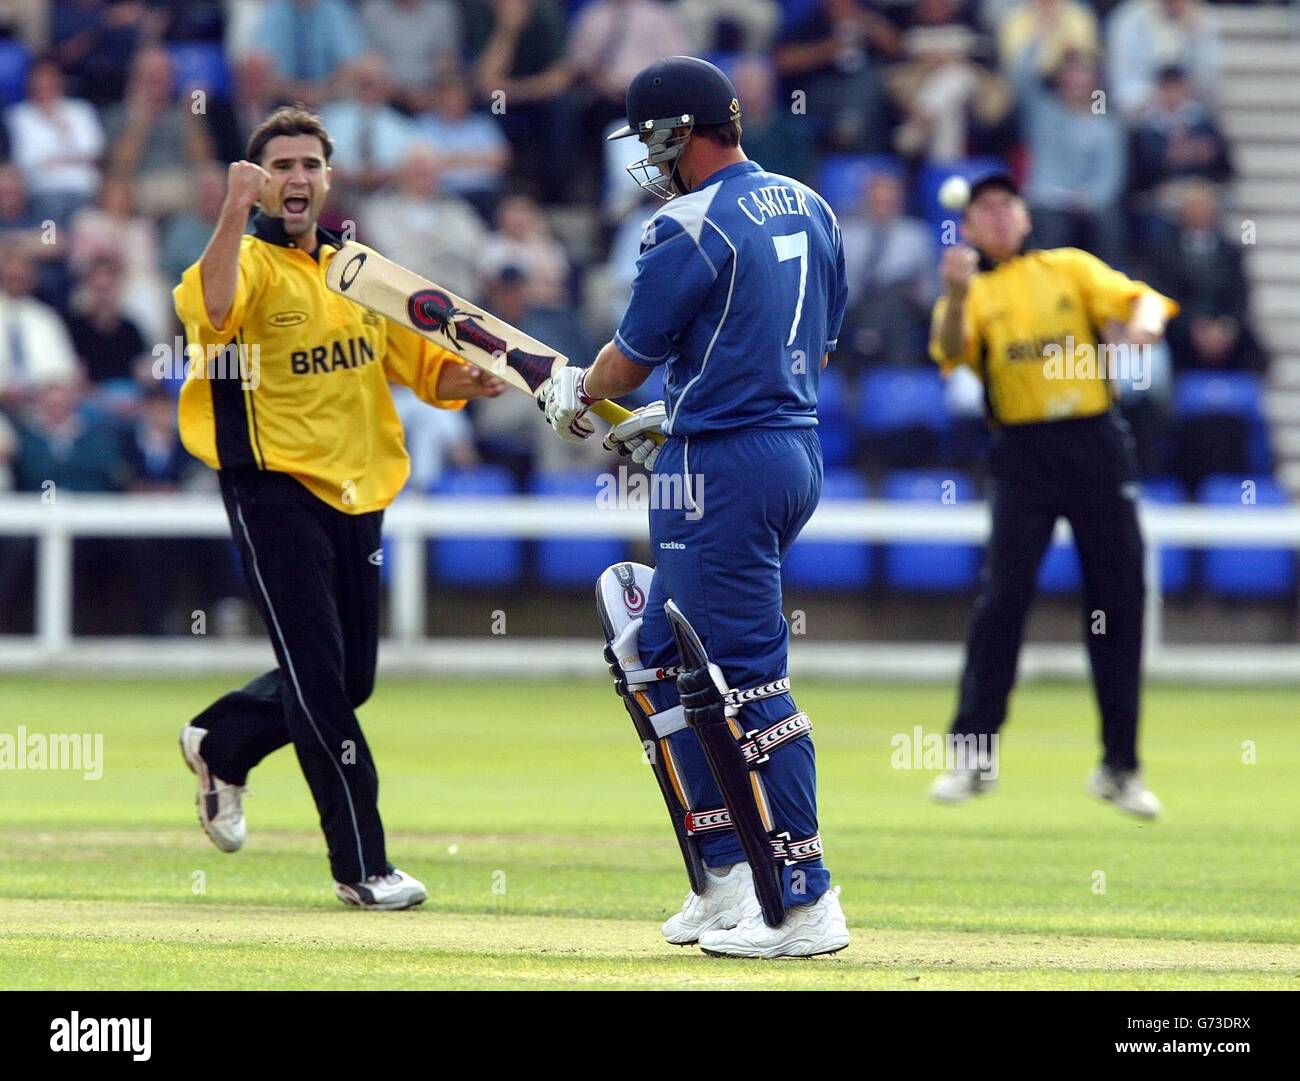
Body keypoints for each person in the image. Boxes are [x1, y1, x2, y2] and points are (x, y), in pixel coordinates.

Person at [540, 56, 849, 958]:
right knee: (658, 656)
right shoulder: (811, 204)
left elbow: (627, 360)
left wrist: (580, 393)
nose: (647, 157)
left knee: (746, 681)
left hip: (721, 469)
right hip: (785, 447)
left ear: (678, 133)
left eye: (649, 137)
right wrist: (677, 417)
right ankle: (723, 877)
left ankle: (803, 898)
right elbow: (806, 343)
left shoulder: (687, 221)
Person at [173, 105, 505, 910]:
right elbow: (213, 312)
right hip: (273, 488)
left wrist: (475, 377)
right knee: (320, 686)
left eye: (308, 165)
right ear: (260, 182)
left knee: (350, 678)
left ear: (328, 178)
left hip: (360, 494)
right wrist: (229, 208)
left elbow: (426, 369)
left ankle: (222, 740)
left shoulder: (359, 269)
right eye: (279, 166)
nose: (296, 178)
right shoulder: (241, 261)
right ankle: (363, 865)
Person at [927, 172, 1177, 818]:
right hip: (1023, 454)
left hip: (1095, 444)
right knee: (1003, 597)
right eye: (986, 209)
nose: (1000, 215)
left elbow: (1142, 299)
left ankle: (1120, 765)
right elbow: (951, 353)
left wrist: (1143, 328)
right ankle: (973, 754)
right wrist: (954, 295)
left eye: (1008, 204)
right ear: (972, 227)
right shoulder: (973, 291)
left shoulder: (1068, 268)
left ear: (1024, 216)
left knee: (1118, 597)